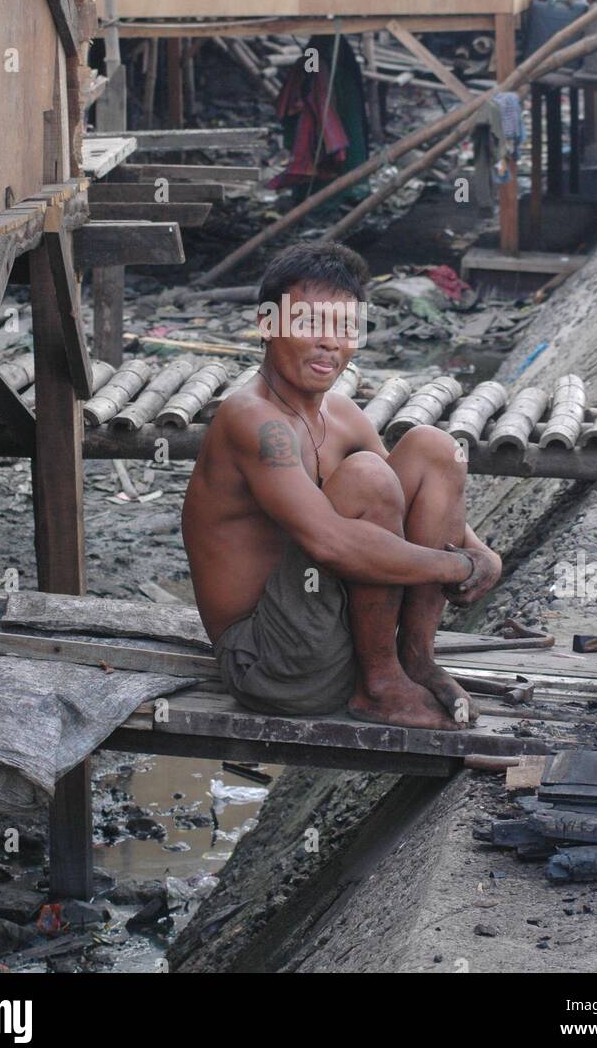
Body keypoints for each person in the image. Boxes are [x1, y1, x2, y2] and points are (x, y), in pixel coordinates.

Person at [182, 241, 502, 730]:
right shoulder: (251, 418)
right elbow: (329, 544)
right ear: (267, 325)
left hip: (332, 637)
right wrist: (454, 566)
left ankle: (414, 659)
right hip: (273, 664)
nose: (329, 343)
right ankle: (379, 684)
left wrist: (482, 554)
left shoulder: (342, 415)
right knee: (367, 478)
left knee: (433, 448)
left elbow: (417, 497)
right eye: (309, 324)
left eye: (345, 328)